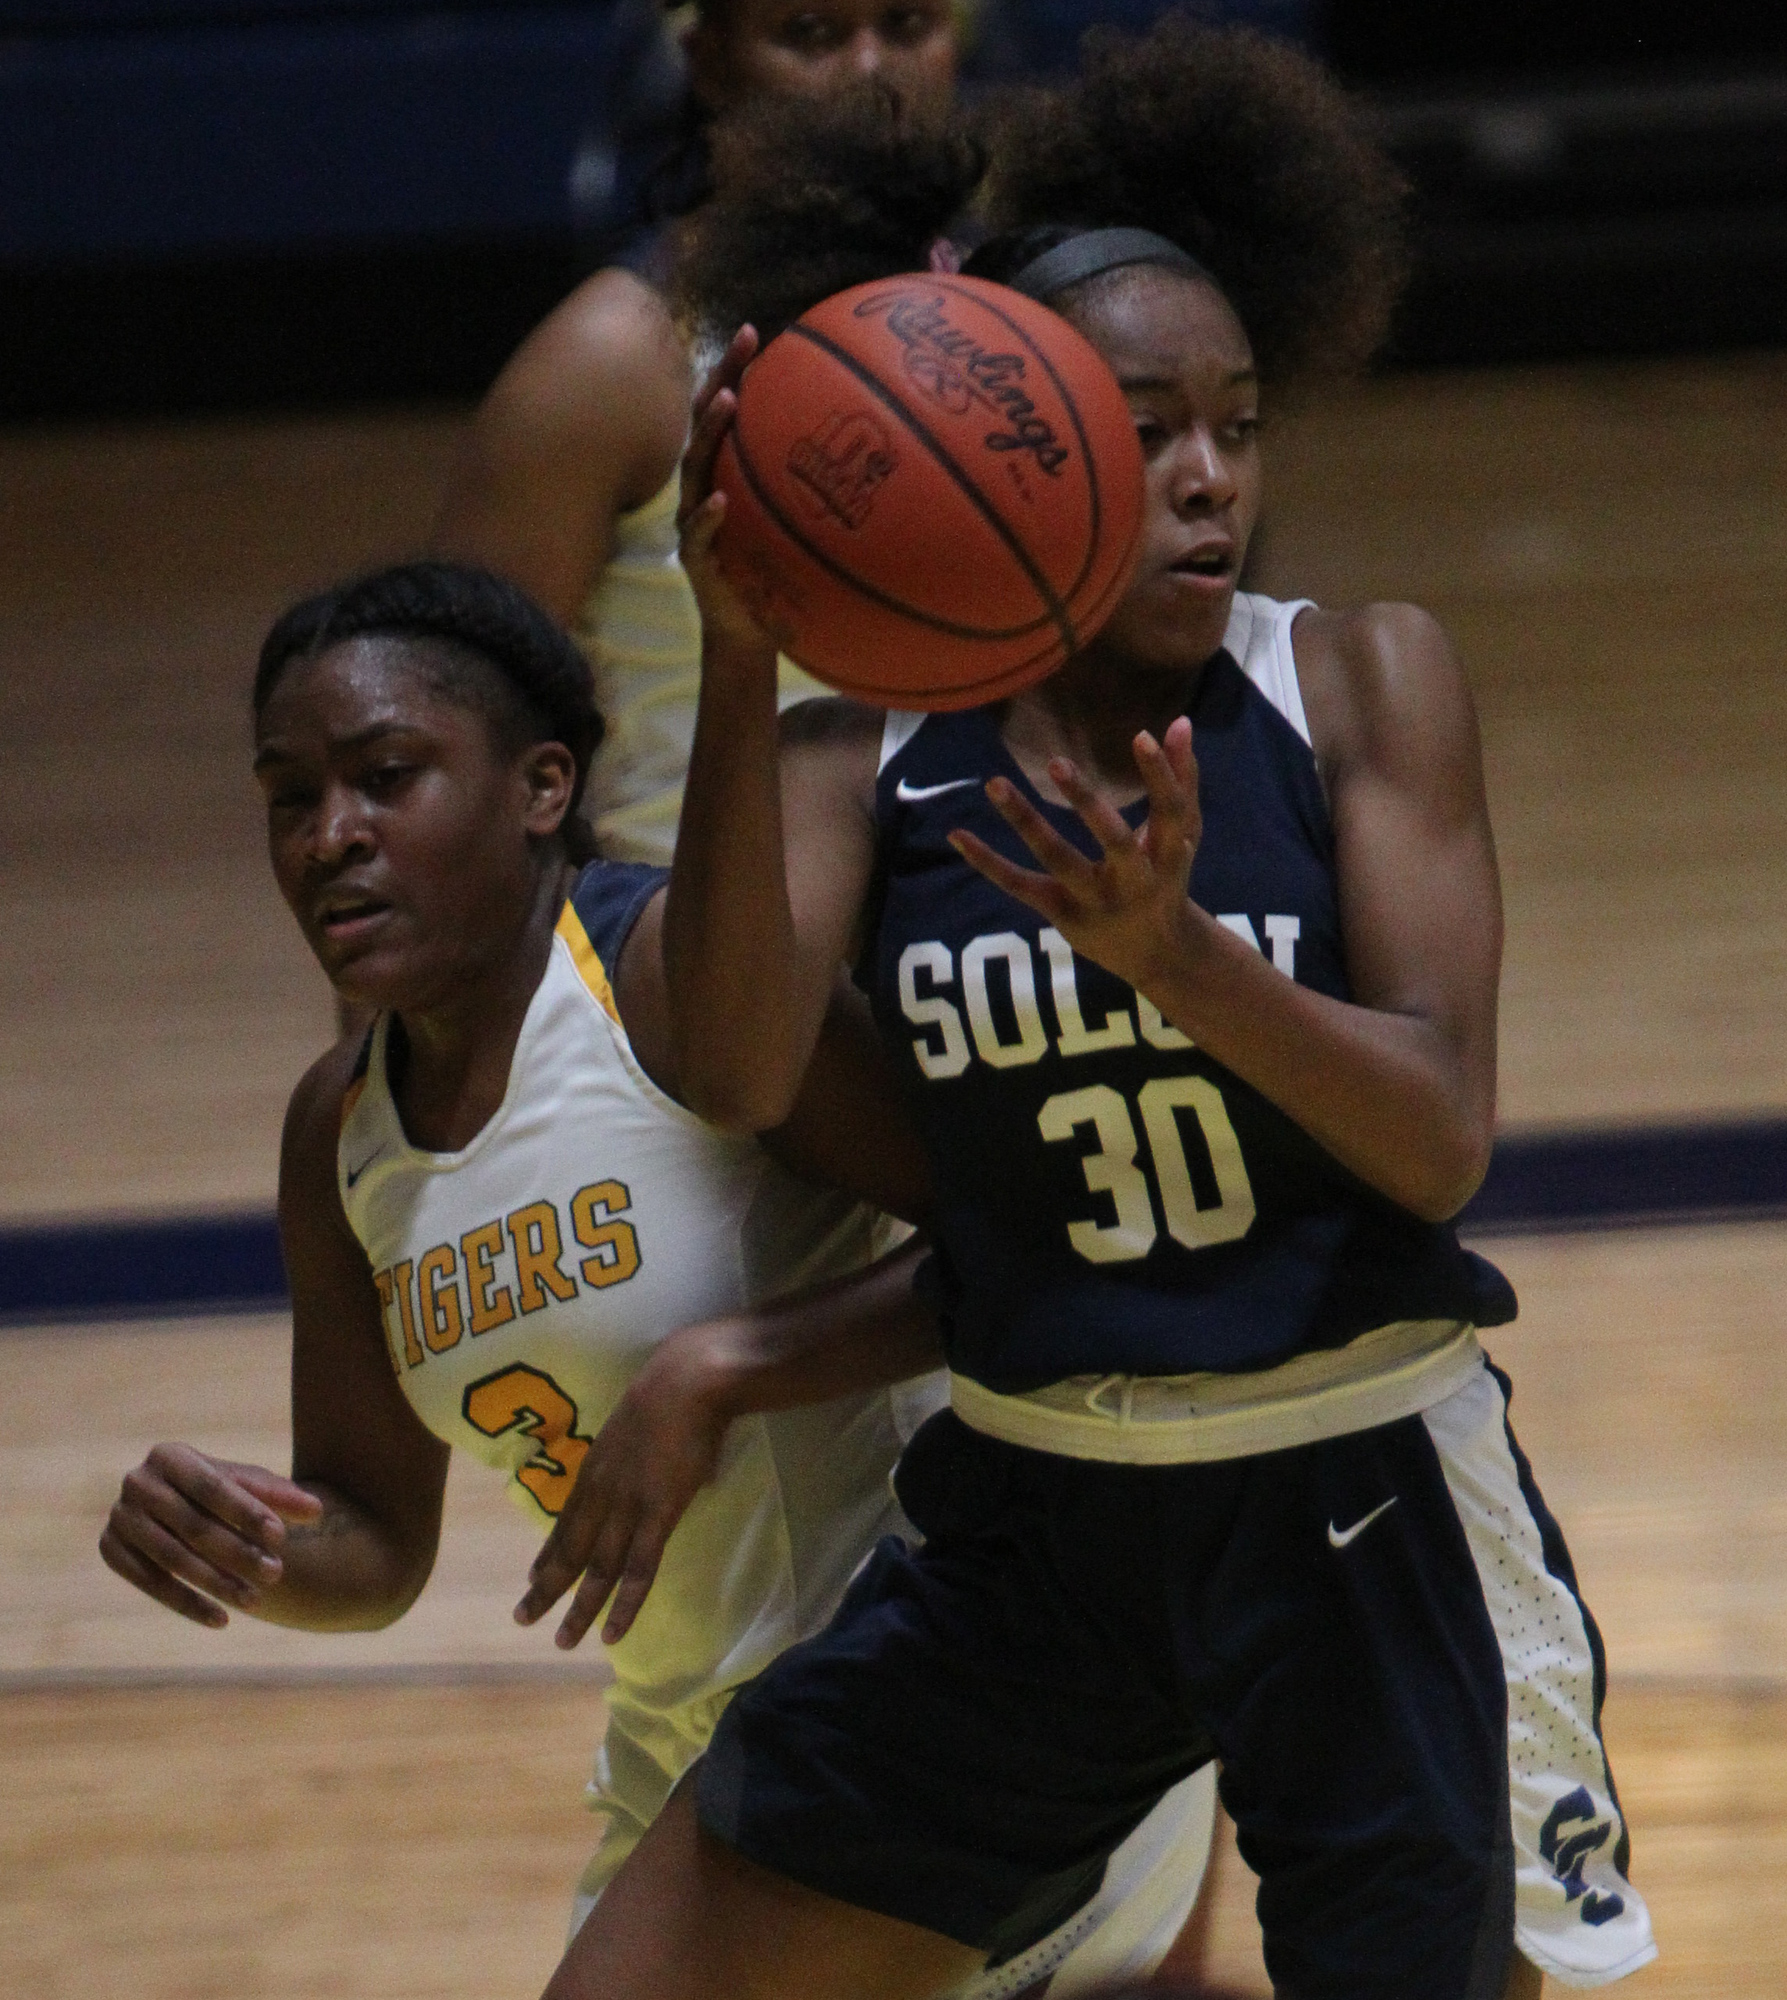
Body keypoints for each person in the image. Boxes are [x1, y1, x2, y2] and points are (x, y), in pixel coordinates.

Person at [547, 20, 1658, 1999]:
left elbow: (1434, 1139)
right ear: (1023, 439)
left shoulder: (1354, 679)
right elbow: (721, 1060)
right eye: (1148, 426)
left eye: (1238, 421)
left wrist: (1180, 963)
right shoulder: (856, 752)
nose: (1208, 475)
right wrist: (735, 653)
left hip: (1355, 1500)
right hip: (1036, 1512)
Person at [96, 560, 1216, 1995]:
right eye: (288, 797)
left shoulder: (669, 983)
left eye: (386, 776)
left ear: (540, 787)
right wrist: (241, 1545)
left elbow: (1047, 1244)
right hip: (693, 1756)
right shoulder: (339, 1134)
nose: (330, 837)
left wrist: (717, 1368)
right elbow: (375, 1544)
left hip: (954, 1694)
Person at [429, 0, 964, 863]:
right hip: (683, 955)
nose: (871, 70)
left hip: (971, 960)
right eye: (812, 35)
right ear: (708, 62)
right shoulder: (609, 363)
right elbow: (438, 742)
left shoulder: (1037, 327)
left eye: (906, 25)